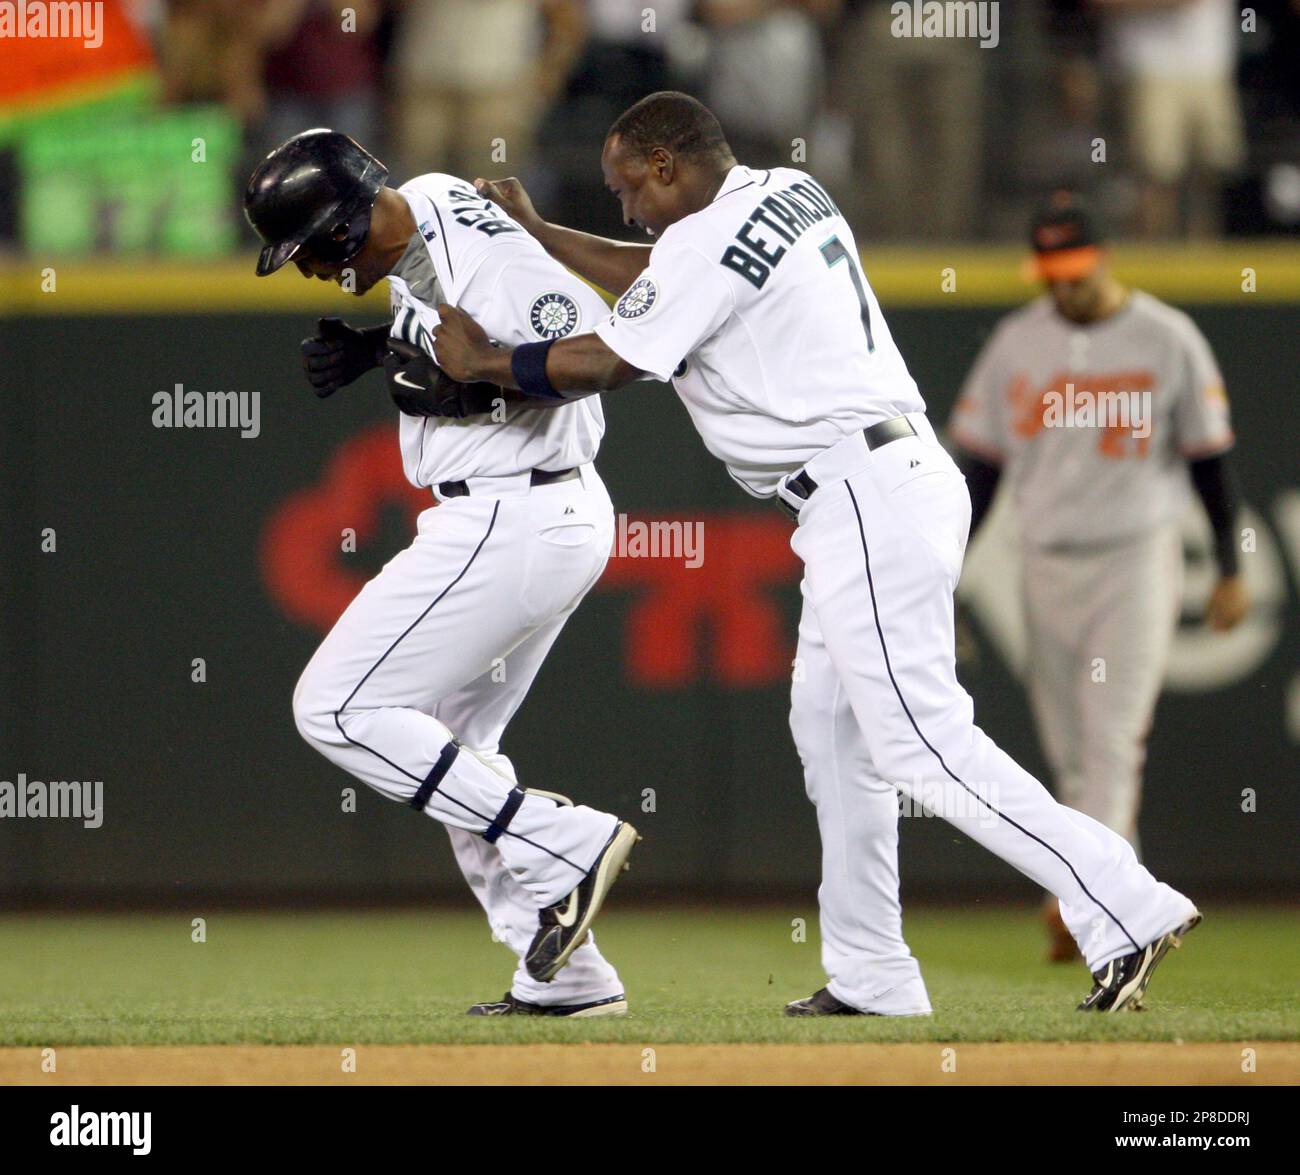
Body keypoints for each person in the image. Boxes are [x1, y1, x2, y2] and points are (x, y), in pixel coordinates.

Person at [430, 91, 1202, 1015]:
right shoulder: (782, 189)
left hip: (862, 490)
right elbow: (662, 270)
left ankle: (1126, 903)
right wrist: (548, 233)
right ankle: (873, 972)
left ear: (668, 165)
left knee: (923, 742)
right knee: (835, 738)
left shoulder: (704, 240)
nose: (625, 205)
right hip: (879, 480)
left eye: (628, 184)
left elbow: (610, 360)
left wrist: (484, 368)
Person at [243, 128, 637, 1015]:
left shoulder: (489, 263)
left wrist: (483, 385)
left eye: (305, 253)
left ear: (346, 228)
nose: (304, 272)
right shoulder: (423, 197)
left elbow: (606, 356)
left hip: (513, 513)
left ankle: (565, 838)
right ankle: (568, 979)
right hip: (527, 511)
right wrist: (384, 347)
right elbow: (443, 316)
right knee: (459, 754)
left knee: (335, 707)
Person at [949, 196, 1247, 960]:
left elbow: (1210, 460)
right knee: (1073, 752)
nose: (1063, 287)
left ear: (1105, 257)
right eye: (1051, 273)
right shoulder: (1019, 341)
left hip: (1135, 558)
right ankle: (1113, 903)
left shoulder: (1166, 336)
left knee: (1114, 742)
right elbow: (978, 473)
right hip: (1043, 559)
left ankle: (1087, 902)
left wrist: (1229, 566)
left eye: (1074, 271)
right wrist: (942, 577)